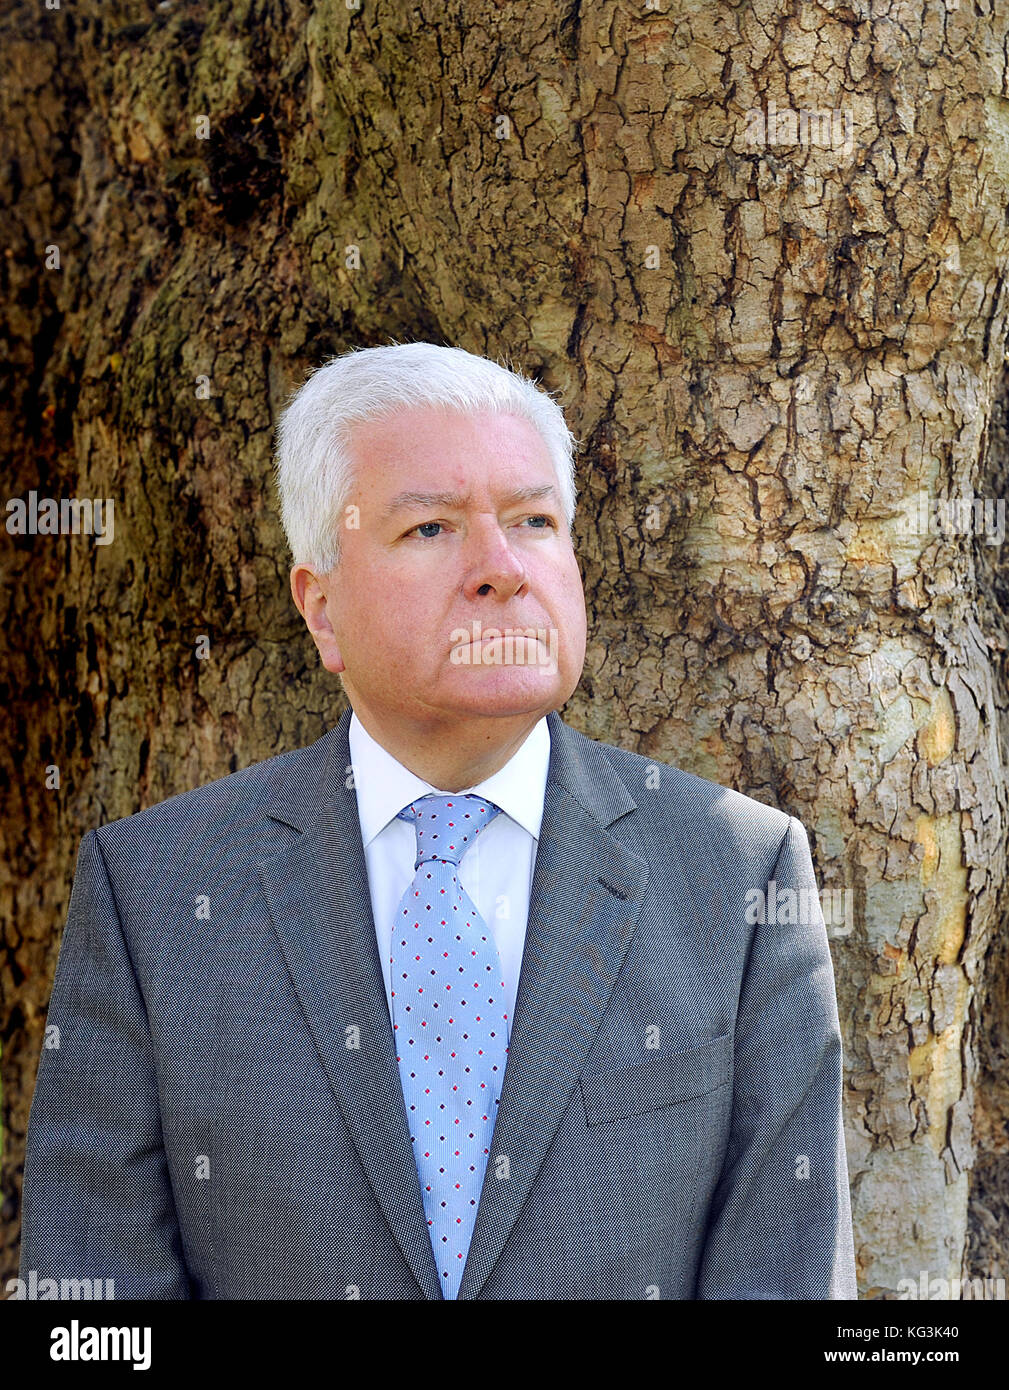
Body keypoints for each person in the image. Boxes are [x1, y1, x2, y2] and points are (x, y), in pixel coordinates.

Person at [18, 342, 857, 1299]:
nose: (500, 568)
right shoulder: (155, 891)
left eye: (533, 520)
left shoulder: (736, 872)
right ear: (321, 608)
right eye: (430, 528)